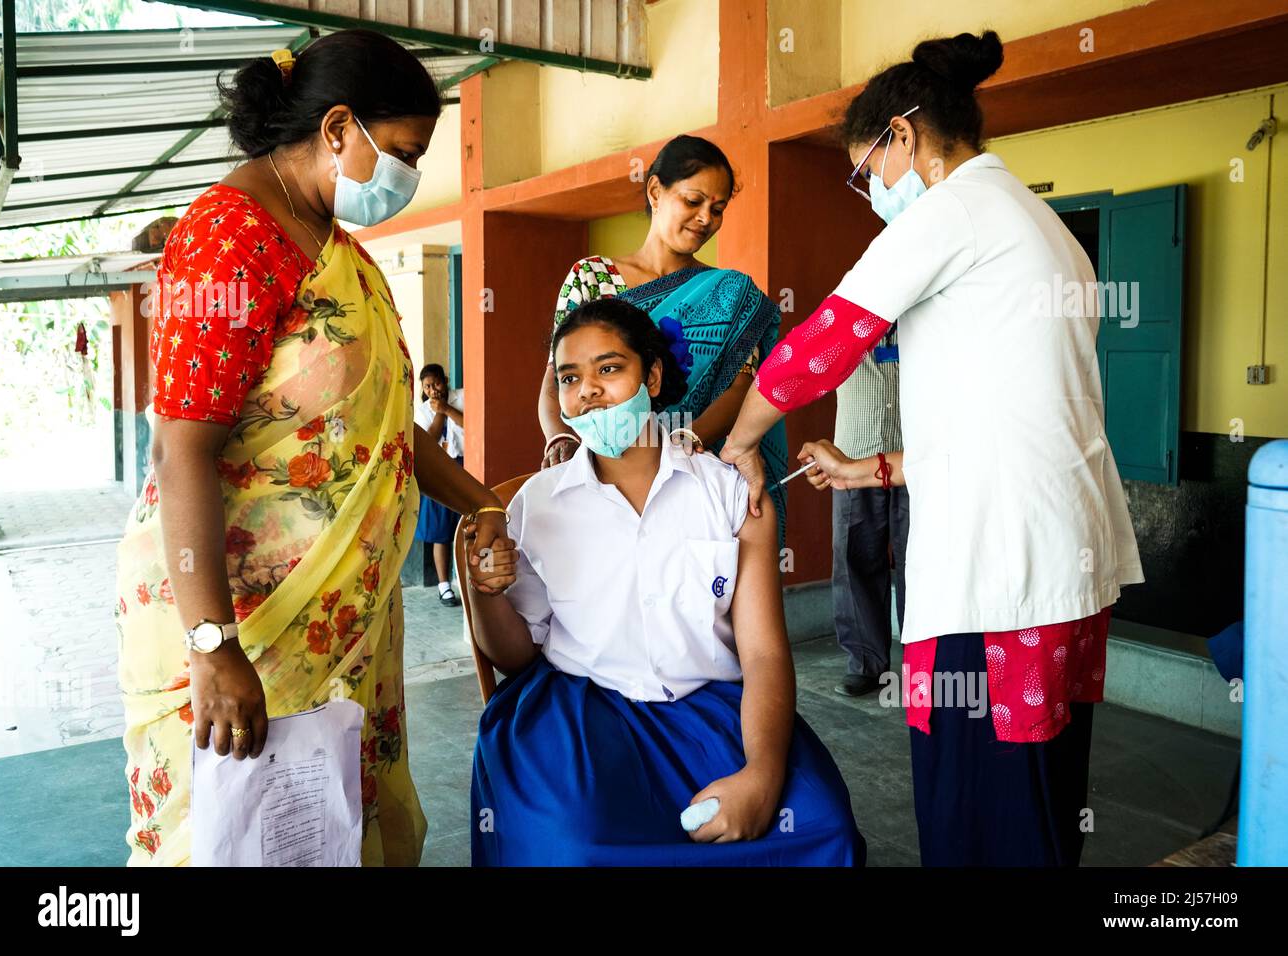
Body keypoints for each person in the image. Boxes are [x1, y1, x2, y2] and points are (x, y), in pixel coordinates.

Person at [718, 30, 1143, 866]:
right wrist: (870, 468)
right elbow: (1010, 419)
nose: (873, 192)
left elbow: (825, 341)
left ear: (903, 135)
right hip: (1059, 557)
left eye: (867, 171)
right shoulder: (1040, 225)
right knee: (1041, 795)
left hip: (1001, 577)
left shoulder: (953, 212)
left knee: (980, 808)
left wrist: (739, 439)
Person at [114, 30, 515, 867]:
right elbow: (180, 450)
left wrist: (482, 501)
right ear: (338, 127)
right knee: (235, 838)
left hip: (346, 625)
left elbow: (382, 430)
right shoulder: (229, 236)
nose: (409, 175)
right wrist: (213, 645)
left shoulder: (338, 249)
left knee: (331, 831)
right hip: (243, 624)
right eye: (404, 152)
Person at [466, 299, 865, 866]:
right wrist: (487, 594)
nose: (588, 391)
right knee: (573, 846)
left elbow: (763, 654)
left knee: (824, 828)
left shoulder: (730, 493)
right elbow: (516, 657)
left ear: (652, 376)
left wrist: (760, 773)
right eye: (569, 378)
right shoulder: (535, 505)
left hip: (712, 711)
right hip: (581, 715)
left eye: (609, 368)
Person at [537, 135, 790, 536]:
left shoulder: (729, 292)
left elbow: (741, 384)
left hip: (697, 474)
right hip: (603, 475)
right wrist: (560, 440)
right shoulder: (592, 277)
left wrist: (681, 447)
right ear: (655, 191)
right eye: (693, 201)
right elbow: (557, 377)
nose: (706, 218)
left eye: (718, 209)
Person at [829, 327, 909, 698]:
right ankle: (865, 663)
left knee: (921, 562)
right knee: (855, 560)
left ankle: (923, 662)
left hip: (915, 455)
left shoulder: (929, 315)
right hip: (854, 455)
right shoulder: (847, 316)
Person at [415, 363, 465, 607]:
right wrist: (438, 412)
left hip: (464, 465)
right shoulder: (422, 411)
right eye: (427, 386)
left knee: (466, 526)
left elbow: (472, 425)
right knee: (440, 530)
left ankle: (466, 581)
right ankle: (444, 585)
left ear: (445, 380)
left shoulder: (463, 397)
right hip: (439, 469)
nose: (433, 389)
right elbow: (430, 439)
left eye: (436, 383)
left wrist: (447, 408)